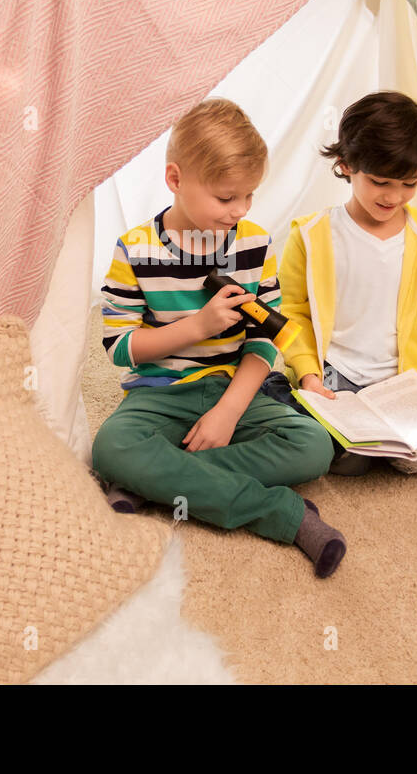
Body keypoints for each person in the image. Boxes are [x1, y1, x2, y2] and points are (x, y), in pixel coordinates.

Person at [91, 98, 346, 577]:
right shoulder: (135, 250)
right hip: (160, 391)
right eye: (226, 198)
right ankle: (284, 516)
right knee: (112, 446)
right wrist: (197, 327)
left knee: (314, 446)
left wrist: (228, 412)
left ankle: (151, 482)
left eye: (249, 196)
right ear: (175, 180)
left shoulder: (254, 244)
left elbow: (263, 342)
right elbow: (120, 348)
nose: (240, 211)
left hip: (235, 388)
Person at [265, 90, 417, 476]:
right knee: (343, 460)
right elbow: (292, 314)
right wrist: (307, 371)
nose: (394, 196)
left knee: (415, 462)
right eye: (380, 182)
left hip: (402, 379)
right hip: (334, 371)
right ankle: (286, 396)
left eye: (409, 184)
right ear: (345, 166)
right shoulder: (311, 235)